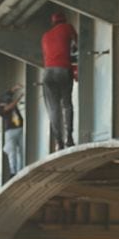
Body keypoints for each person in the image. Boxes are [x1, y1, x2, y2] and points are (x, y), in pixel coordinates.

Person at [40, 11, 76, 151]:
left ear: (53, 22)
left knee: (53, 109)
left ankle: (59, 142)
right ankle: (70, 138)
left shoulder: (45, 36)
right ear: (64, 20)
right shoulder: (68, 28)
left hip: (48, 73)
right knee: (67, 104)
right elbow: (76, 47)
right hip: (63, 70)